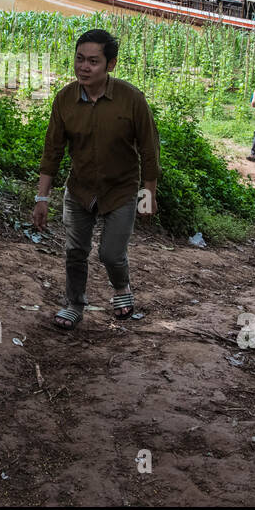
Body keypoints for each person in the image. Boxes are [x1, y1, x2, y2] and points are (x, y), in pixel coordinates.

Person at [33, 29, 160, 330]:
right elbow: (52, 151)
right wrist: (41, 198)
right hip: (79, 189)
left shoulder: (131, 100)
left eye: (93, 61)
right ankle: (74, 303)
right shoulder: (64, 100)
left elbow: (149, 150)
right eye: (79, 59)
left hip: (121, 190)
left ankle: (122, 287)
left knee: (111, 254)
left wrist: (148, 195)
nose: (84, 67)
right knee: (75, 251)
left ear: (111, 65)